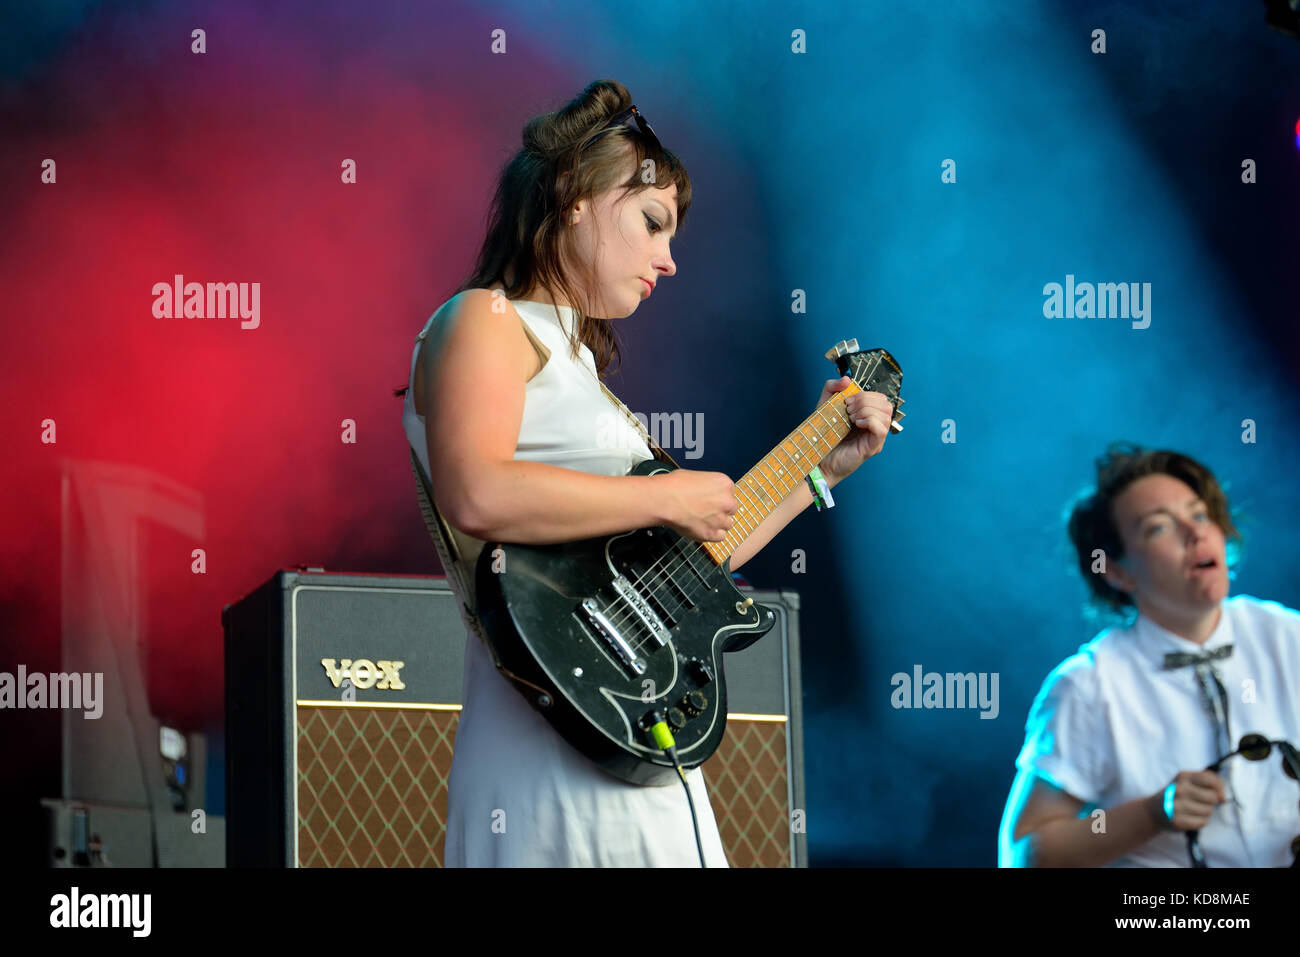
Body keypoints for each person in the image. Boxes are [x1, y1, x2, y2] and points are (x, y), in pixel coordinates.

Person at [395, 79, 896, 866]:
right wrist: (663, 494)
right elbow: (476, 489)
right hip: (547, 751)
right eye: (653, 223)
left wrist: (825, 464)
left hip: (626, 721)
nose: (667, 260)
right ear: (574, 199)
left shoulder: (576, 367)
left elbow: (695, 559)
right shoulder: (485, 319)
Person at [999, 443, 1300, 867]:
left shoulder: (1288, 634)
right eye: (1160, 527)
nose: (1196, 533)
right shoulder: (1088, 685)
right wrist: (1152, 813)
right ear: (1117, 571)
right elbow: (1021, 855)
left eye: (1199, 515)